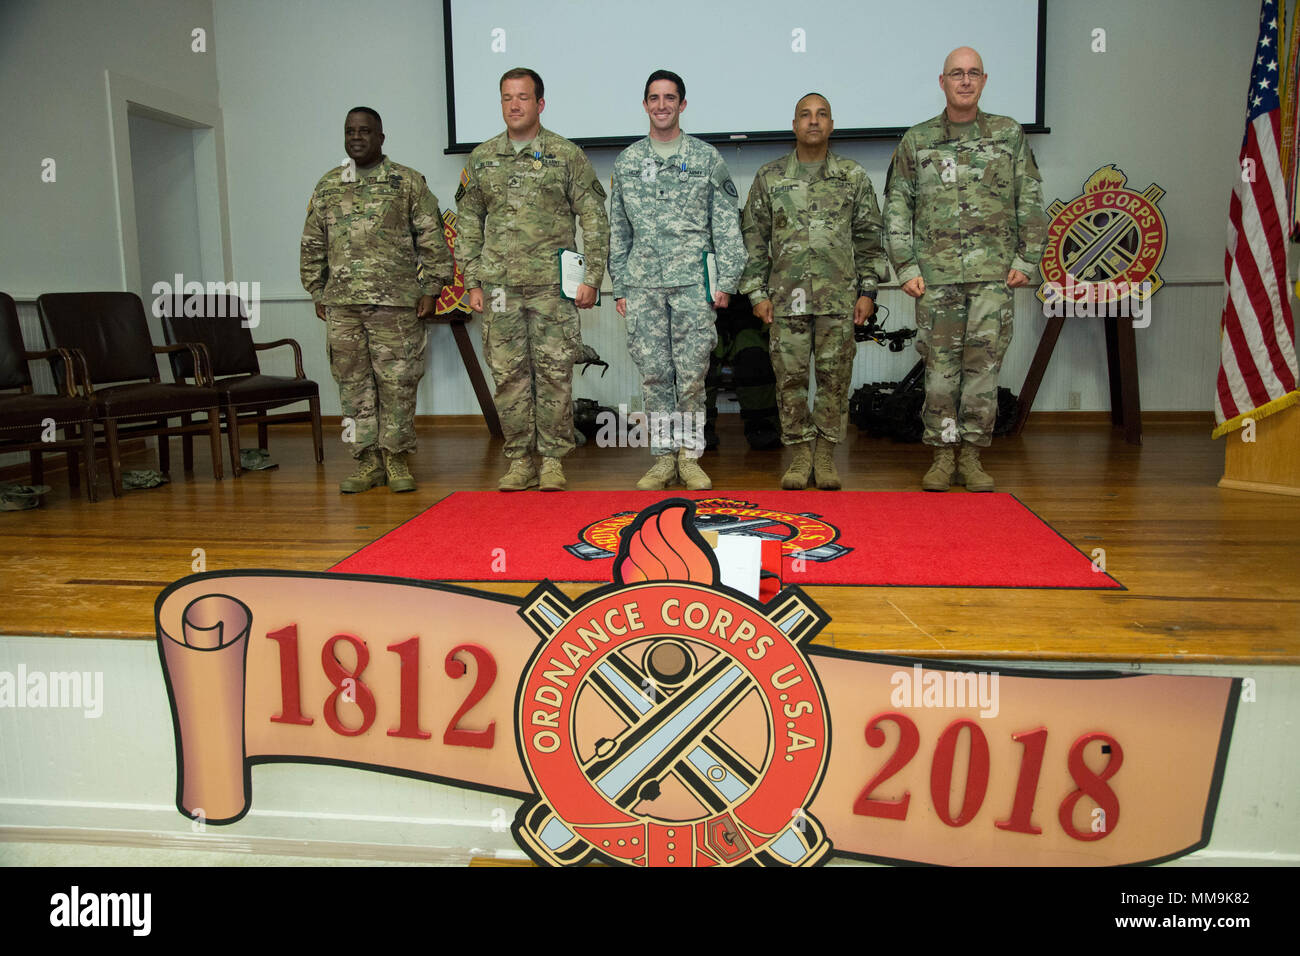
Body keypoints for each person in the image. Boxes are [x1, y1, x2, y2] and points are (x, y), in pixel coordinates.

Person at [884, 47, 1047, 492]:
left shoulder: (1008, 134)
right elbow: (898, 206)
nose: (965, 80)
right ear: (942, 82)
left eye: (973, 73)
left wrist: (1026, 259)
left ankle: (972, 456)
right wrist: (905, 266)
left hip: (994, 276)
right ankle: (941, 455)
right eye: (956, 73)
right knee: (939, 370)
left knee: (983, 369)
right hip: (934, 280)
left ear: (984, 80)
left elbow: (1028, 198)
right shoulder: (917, 140)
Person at [455, 67, 610, 492]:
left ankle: (554, 460)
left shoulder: (566, 155)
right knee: (509, 376)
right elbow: (468, 222)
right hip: (500, 290)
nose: (515, 105)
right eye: (507, 97)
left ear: (540, 104)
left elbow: (594, 217)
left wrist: (592, 278)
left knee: (555, 374)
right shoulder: (483, 158)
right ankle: (520, 459)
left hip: (552, 291)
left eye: (523, 97)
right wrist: (472, 281)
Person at [739, 93, 889, 490]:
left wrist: (868, 291)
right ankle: (799, 453)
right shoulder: (770, 177)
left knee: (833, 379)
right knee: (789, 380)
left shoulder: (852, 177)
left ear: (831, 125)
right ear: (794, 125)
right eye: (805, 115)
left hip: (838, 300)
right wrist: (756, 294)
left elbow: (869, 238)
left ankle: (824, 454)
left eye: (821, 115)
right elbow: (753, 239)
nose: (813, 121)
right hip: (785, 301)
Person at [300, 106, 452, 494]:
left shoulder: (406, 182)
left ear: (381, 137)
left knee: (398, 382)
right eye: (350, 130)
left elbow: (432, 239)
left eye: (365, 131)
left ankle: (397, 459)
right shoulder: (328, 185)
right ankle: (366, 460)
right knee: (351, 384)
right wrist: (317, 290)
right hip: (342, 306)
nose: (356, 137)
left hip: (396, 304)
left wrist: (433, 288)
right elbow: (313, 242)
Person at [609, 69, 746, 491]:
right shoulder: (628, 162)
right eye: (654, 98)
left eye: (670, 98)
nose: (662, 105)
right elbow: (618, 228)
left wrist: (726, 281)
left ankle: (689, 457)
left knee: (690, 375)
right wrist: (621, 285)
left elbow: (725, 225)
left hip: (692, 285)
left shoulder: (706, 159)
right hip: (643, 285)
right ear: (645, 105)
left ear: (682, 105)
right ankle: (663, 458)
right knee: (654, 374)